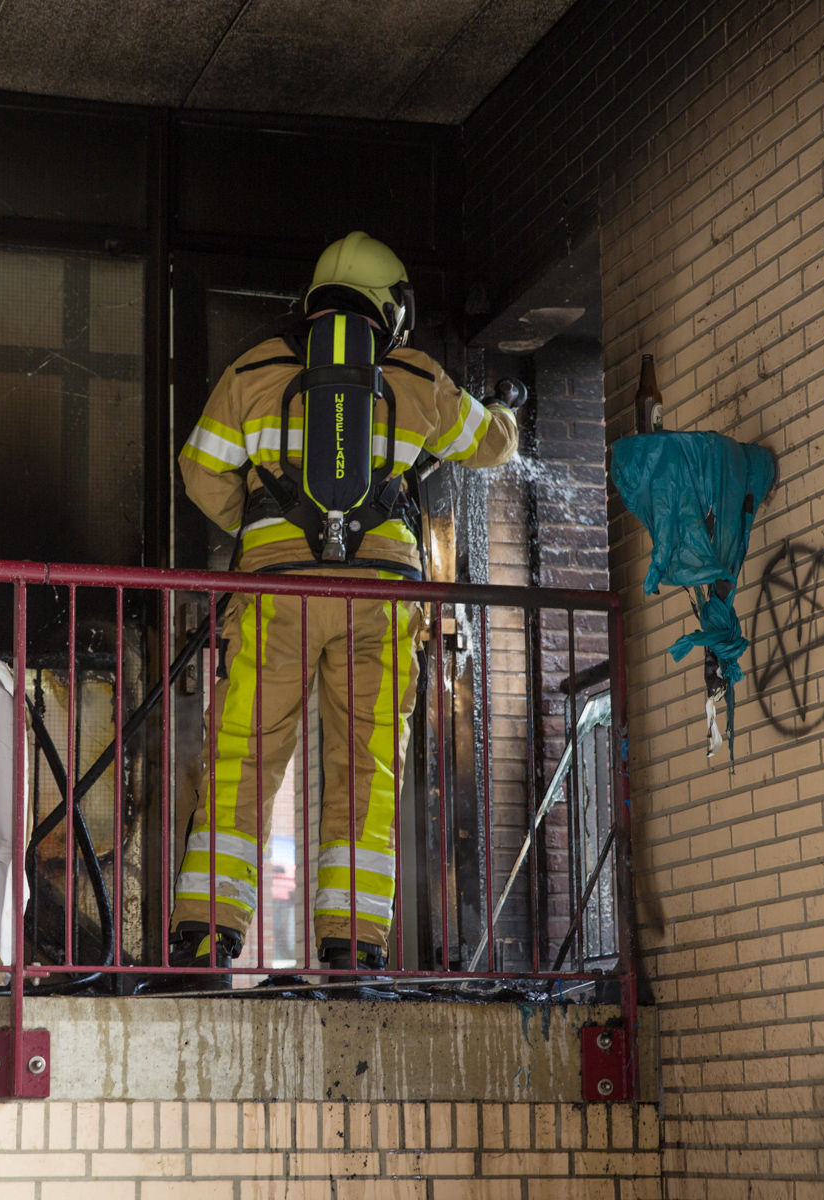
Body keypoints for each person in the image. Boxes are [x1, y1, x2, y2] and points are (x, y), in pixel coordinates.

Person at [159, 231, 524, 986]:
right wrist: (504, 413)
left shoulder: (255, 370)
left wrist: (263, 533)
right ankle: (353, 948)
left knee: (244, 756)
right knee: (366, 767)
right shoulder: (416, 375)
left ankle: (205, 936)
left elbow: (198, 471)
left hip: (274, 595)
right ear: (388, 308)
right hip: (381, 602)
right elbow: (491, 449)